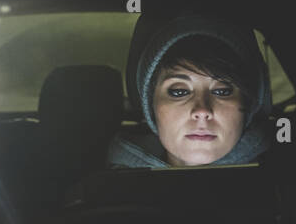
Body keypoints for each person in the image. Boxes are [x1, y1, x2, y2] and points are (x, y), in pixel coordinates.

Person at [106, 14, 273, 169]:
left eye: (222, 91)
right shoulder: (101, 192)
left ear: (248, 104)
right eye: (179, 92)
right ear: (152, 106)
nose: (202, 111)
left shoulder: (286, 186)